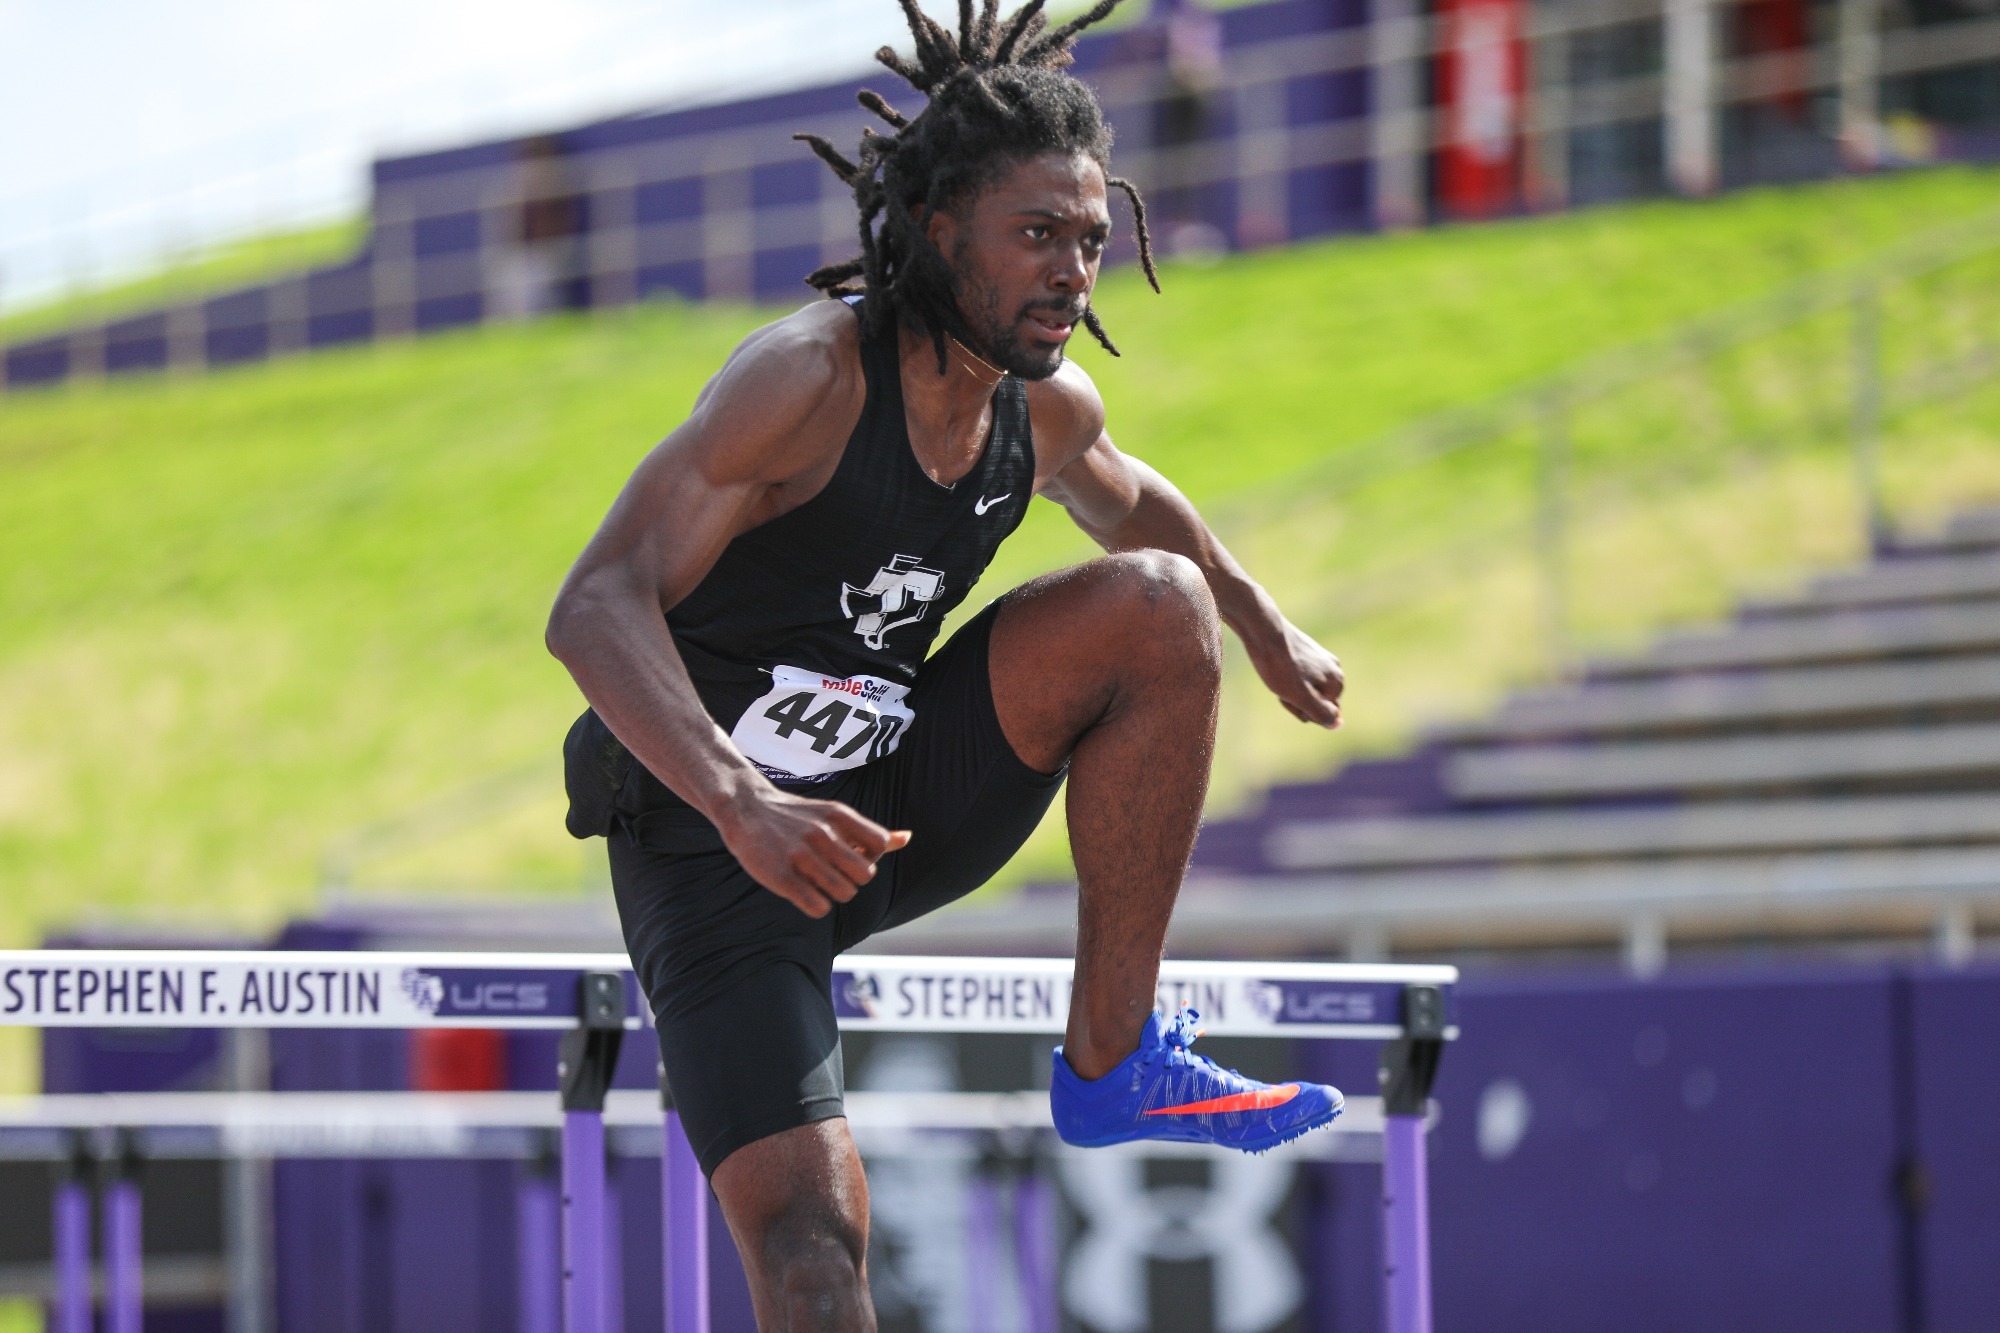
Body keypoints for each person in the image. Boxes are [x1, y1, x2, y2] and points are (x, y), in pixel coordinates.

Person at [546, 1, 1347, 1325]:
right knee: (814, 1253)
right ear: (935, 230)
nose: (1073, 273)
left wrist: (1262, 623)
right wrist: (741, 802)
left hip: (892, 797)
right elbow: (592, 603)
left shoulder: (1046, 409)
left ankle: (1113, 1056)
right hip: (720, 844)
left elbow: (1141, 507)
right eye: (1037, 235)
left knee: (1162, 607)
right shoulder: (807, 381)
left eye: (1090, 240)